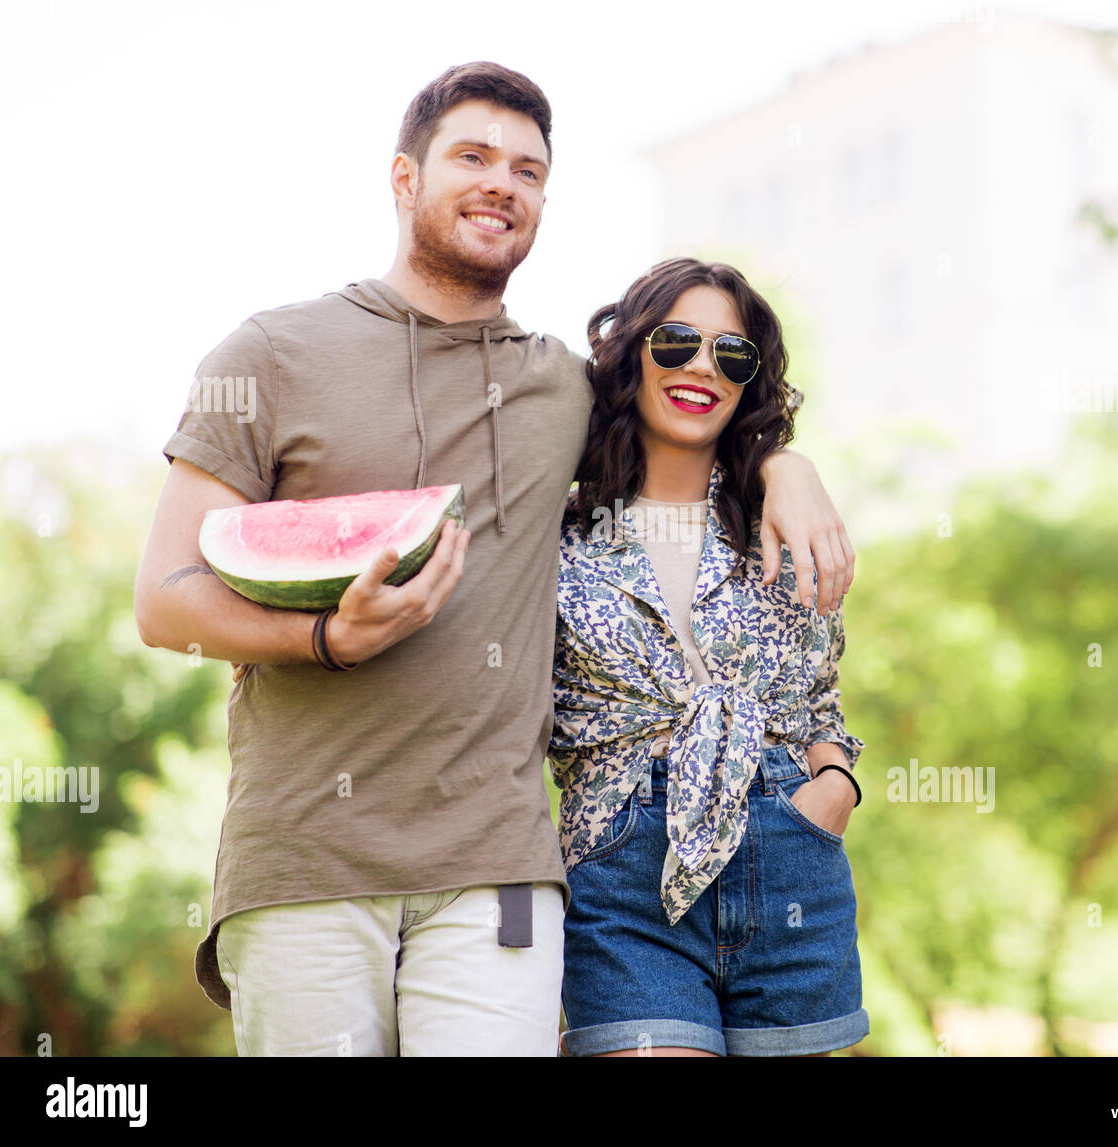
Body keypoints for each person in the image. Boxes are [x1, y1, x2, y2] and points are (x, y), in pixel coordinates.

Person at [134, 62, 856, 1057]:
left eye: (527, 170)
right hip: (303, 857)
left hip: (501, 876)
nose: (501, 182)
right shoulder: (268, 354)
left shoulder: (563, 386)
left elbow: (691, 404)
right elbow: (165, 601)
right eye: (472, 156)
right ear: (403, 177)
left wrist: (787, 462)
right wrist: (322, 635)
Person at [550, 257, 868, 1057]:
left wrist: (833, 788)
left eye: (732, 355)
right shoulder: (555, 530)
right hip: (624, 873)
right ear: (632, 353)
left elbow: (819, 701)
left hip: (793, 857)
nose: (703, 366)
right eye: (679, 341)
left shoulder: (787, 519)